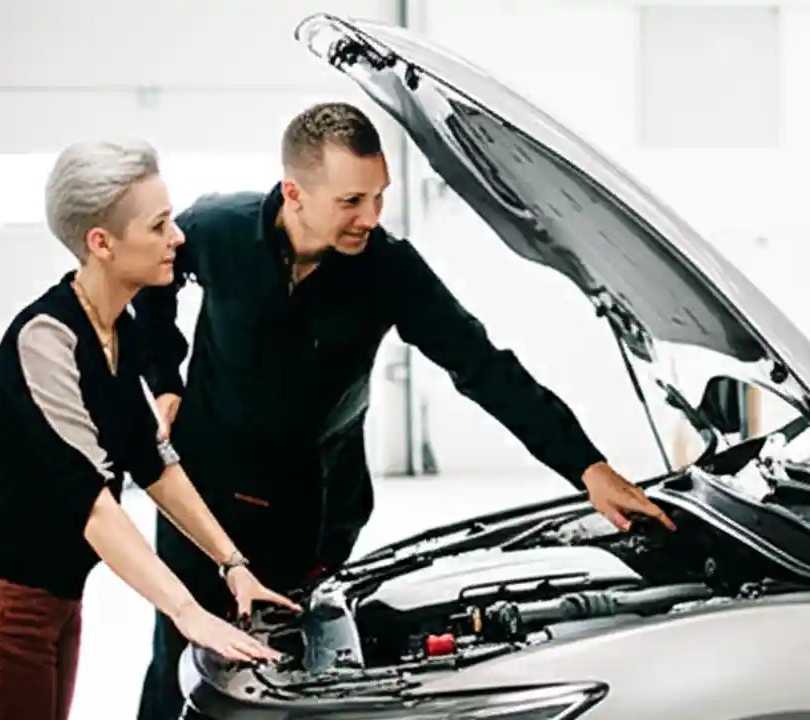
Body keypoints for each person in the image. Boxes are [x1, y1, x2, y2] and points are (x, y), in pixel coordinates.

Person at [133, 102, 676, 718]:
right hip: (202, 494)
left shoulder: (388, 269)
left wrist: (588, 468)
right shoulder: (215, 227)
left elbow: (482, 366)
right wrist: (163, 377)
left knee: (290, 679)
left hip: (312, 509)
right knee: (177, 663)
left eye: (379, 196)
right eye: (352, 201)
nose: (372, 217)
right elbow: (154, 282)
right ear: (295, 192)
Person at [0, 138, 301, 720]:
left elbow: (153, 463)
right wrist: (185, 609)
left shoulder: (120, 330)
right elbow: (91, 504)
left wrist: (234, 567)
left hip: (52, 595)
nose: (178, 237)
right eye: (159, 225)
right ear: (102, 242)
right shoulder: (46, 339)